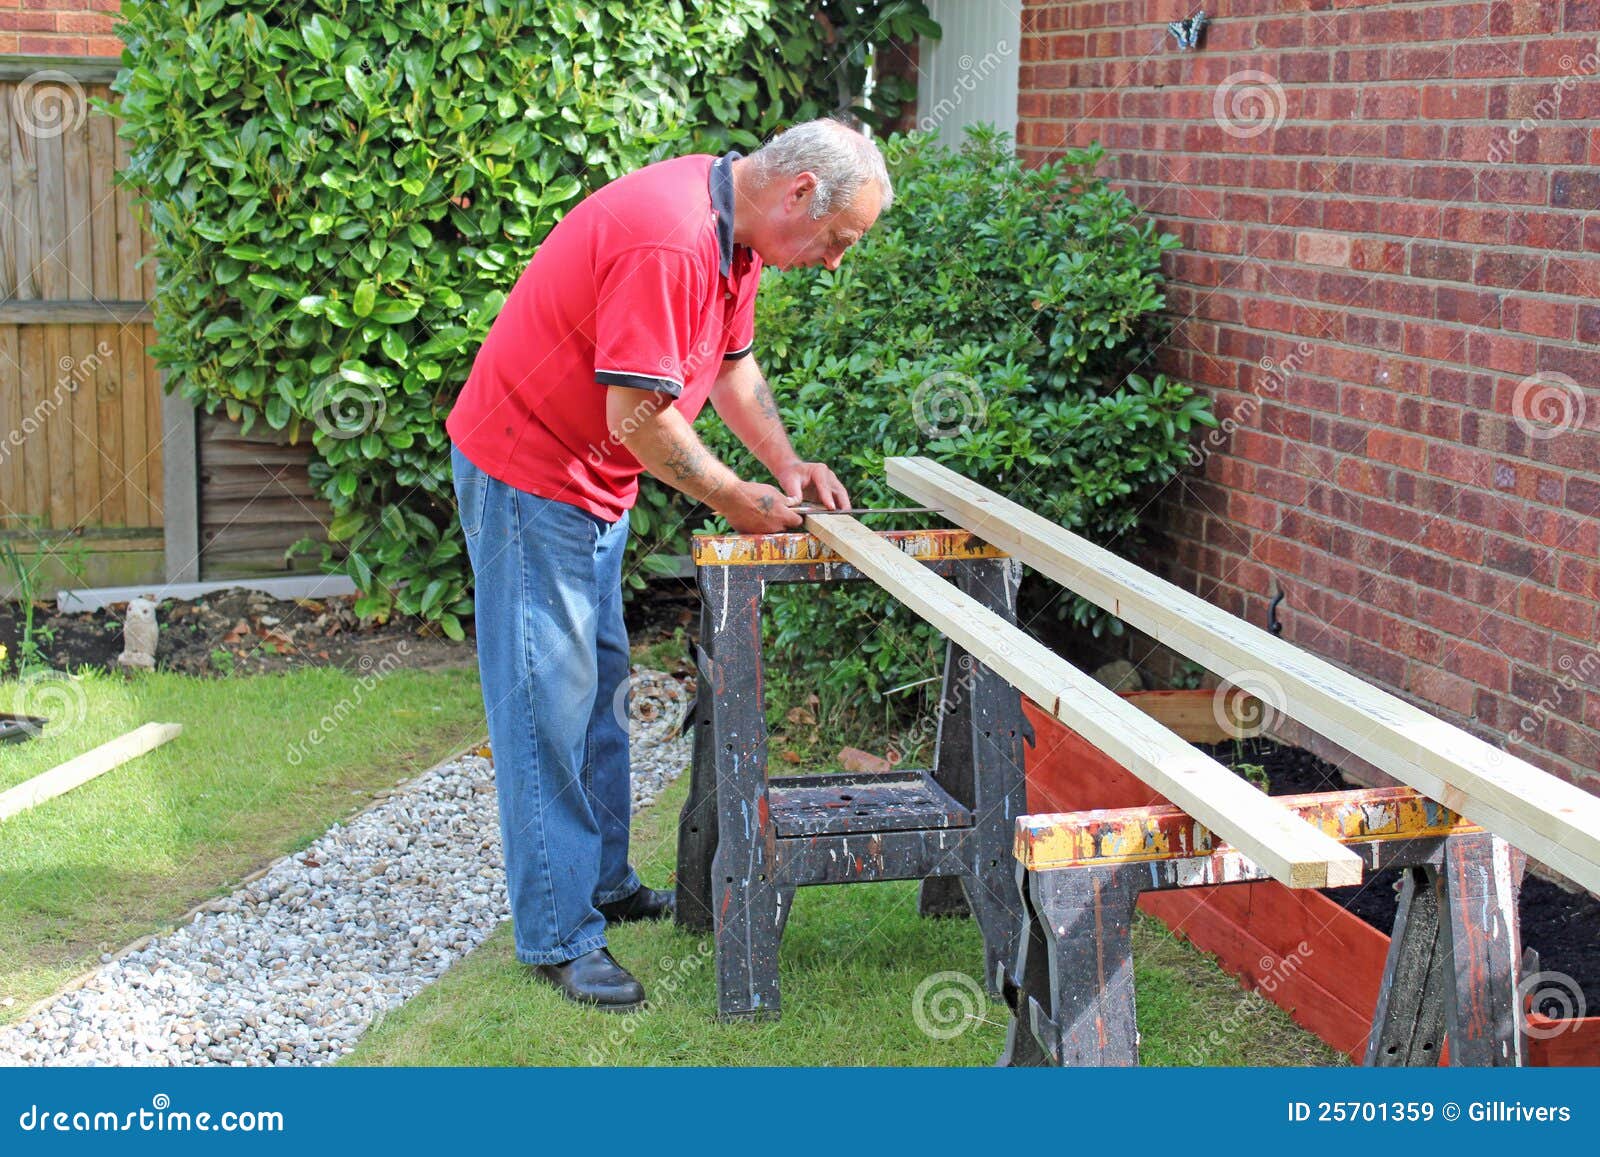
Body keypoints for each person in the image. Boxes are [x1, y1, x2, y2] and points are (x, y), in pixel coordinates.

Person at [445, 119, 892, 1011]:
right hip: (531, 474)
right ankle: (558, 936)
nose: (836, 261)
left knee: (600, 686)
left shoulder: (735, 236)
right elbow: (641, 416)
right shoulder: (672, 239)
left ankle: (602, 881)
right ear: (800, 193)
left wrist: (786, 465)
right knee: (548, 708)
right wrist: (734, 500)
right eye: (840, 239)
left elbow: (731, 367)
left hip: (591, 483)